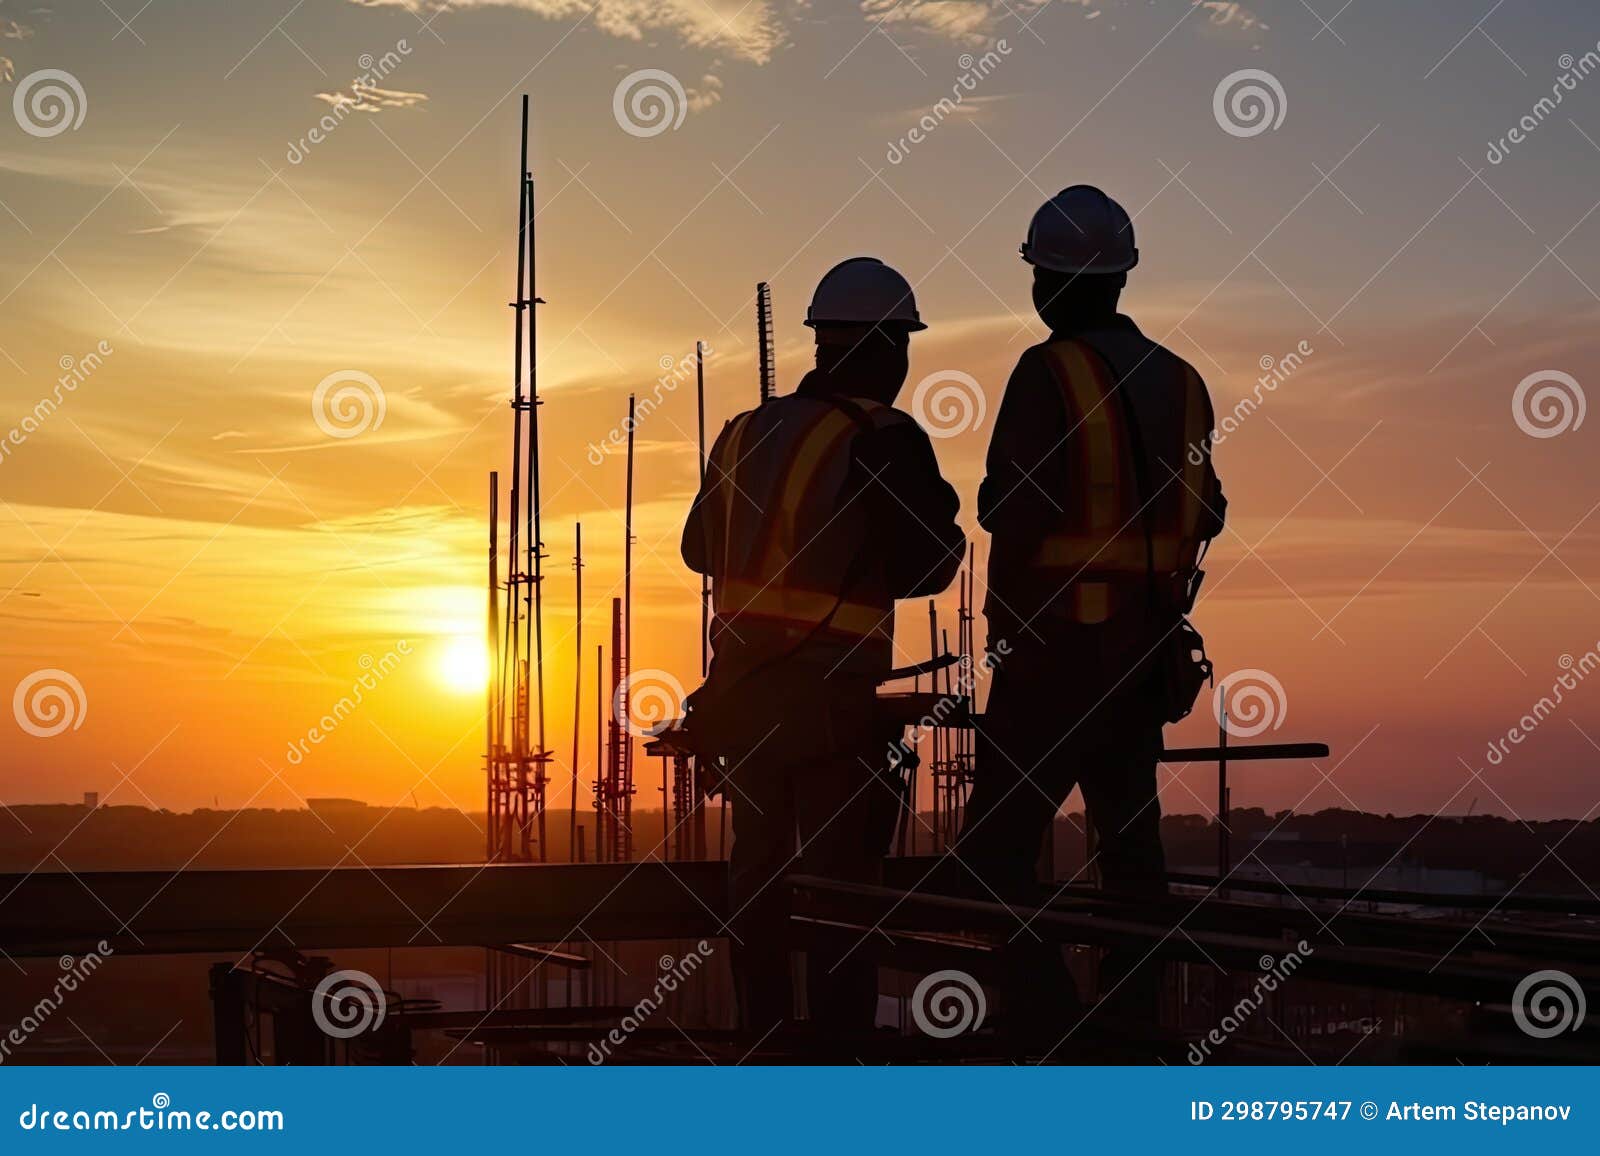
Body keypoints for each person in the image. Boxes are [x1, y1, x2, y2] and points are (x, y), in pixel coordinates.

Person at [955, 186, 1226, 1031]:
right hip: (1143, 658)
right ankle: (1128, 1027)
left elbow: (1014, 508)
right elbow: (1208, 510)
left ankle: (1050, 1028)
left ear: (1052, 282)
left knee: (989, 863)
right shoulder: (1181, 382)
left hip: (1056, 659)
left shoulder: (1047, 372)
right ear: (1119, 278)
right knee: (1132, 858)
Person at [681, 257, 964, 1034]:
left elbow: (699, 549)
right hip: (828, 705)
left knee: (760, 881)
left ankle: (762, 1043)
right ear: (886, 348)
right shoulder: (883, 435)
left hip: (742, 701)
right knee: (842, 892)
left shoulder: (744, 432)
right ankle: (840, 1059)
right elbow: (932, 562)